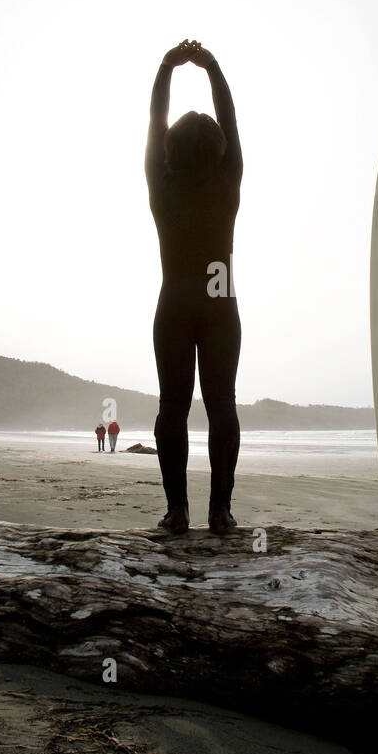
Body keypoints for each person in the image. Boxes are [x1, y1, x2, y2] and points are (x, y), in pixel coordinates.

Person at [145, 38, 242, 535]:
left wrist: (167, 66)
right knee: (222, 404)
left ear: (169, 151)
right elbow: (231, 123)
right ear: (221, 151)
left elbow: (154, 123)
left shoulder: (161, 186)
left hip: (176, 301)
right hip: (220, 299)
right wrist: (212, 67)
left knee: (172, 408)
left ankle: (177, 510)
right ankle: (220, 511)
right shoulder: (229, 184)